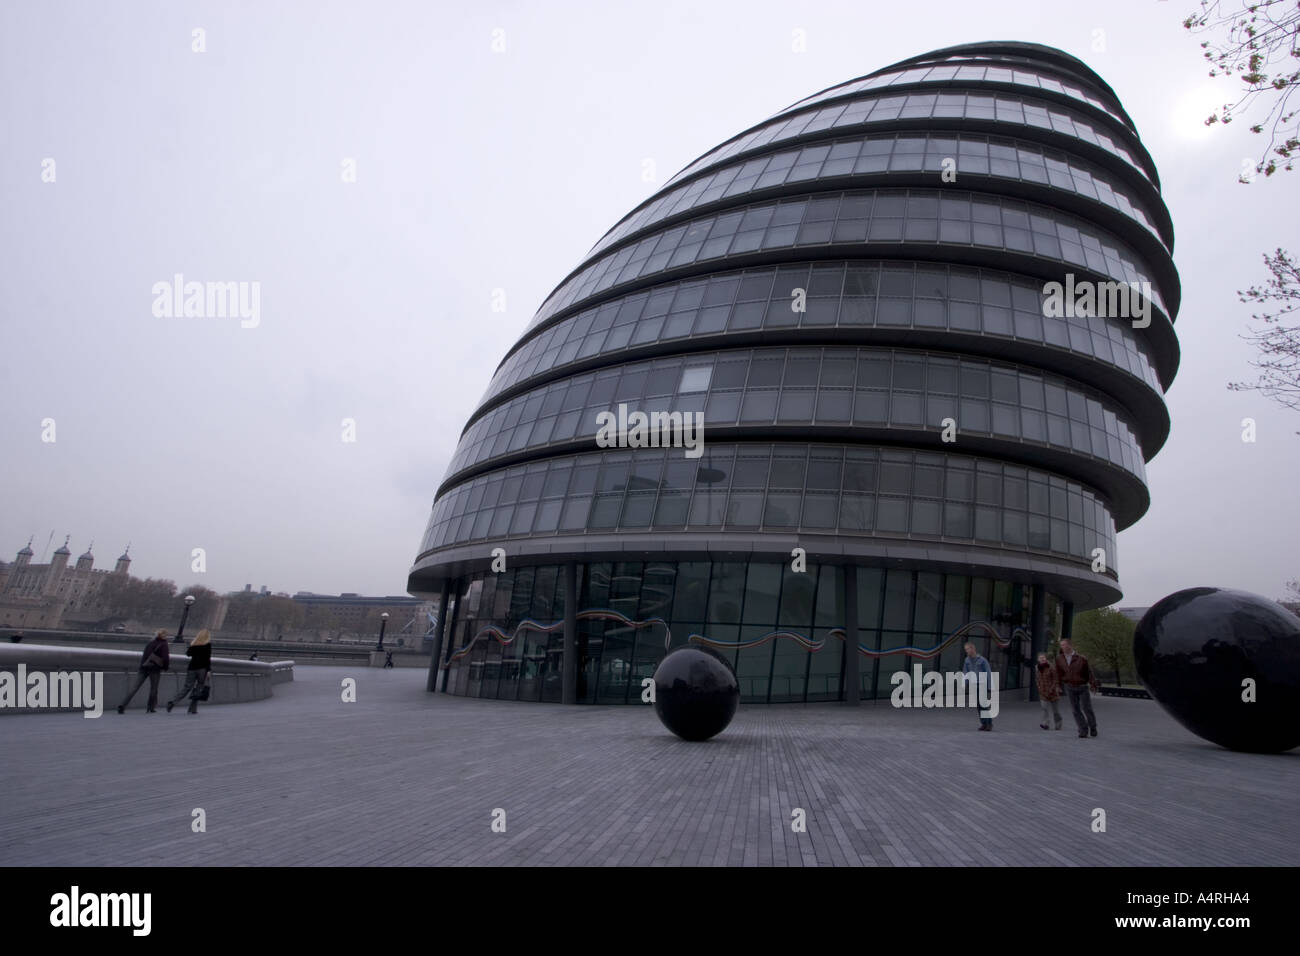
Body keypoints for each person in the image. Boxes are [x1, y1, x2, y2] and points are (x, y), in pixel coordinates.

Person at [117, 629, 171, 713]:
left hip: (144, 667)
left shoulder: (150, 643)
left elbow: (145, 655)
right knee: (153, 689)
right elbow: (165, 658)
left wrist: (142, 666)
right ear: (163, 636)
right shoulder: (164, 644)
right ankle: (150, 707)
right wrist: (165, 667)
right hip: (155, 669)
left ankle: (122, 705)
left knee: (134, 688)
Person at [1056, 637, 1100, 738]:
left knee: (1087, 708)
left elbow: (1089, 673)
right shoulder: (1059, 659)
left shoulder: (1082, 659)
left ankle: (1093, 727)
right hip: (1070, 687)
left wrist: (1093, 685)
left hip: (1082, 687)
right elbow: (1058, 673)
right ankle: (1083, 730)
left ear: (1070, 645)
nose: (1062, 647)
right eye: (1061, 645)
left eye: (1064, 645)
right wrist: (1058, 685)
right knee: (1075, 710)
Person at [166, 628, 213, 715]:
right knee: (198, 688)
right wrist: (209, 670)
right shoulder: (207, 645)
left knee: (187, 687)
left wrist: (194, 647)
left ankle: (173, 702)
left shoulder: (194, 644)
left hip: (192, 668)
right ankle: (192, 709)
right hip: (202, 669)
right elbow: (207, 659)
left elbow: (188, 654)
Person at [962, 642, 994, 731]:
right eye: (965, 650)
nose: (966, 651)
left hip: (982, 685)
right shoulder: (967, 660)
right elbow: (965, 672)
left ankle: (989, 723)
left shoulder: (982, 660)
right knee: (978, 705)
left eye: (967, 649)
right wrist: (965, 683)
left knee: (983, 705)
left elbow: (988, 673)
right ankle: (983, 723)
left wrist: (989, 686)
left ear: (973, 649)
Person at [1035, 652, 1063, 731]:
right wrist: (1039, 686)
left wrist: (1051, 689)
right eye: (1040, 658)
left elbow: (1055, 679)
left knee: (1056, 711)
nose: (1042, 659)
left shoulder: (1051, 667)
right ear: (1038, 660)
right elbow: (1037, 678)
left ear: (1046, 658)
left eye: (1043, 657)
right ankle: (1045, 723)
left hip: (1052, 692)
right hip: (1043, 692)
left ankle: (1058, 724)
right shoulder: (1037, 668)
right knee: (1044, 708)